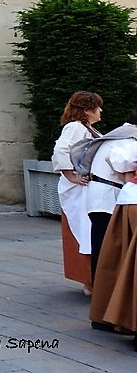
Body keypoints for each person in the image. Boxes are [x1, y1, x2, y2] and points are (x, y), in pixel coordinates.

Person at [88, 123, 137, 348]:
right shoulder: (128, 139)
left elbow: (125, 170)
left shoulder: (122, 139)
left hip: (127, 200)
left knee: (118, 259)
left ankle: (108, 316)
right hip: (127, 200)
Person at [50, 91, 103, 295]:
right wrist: (72, 176)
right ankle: (89, 281)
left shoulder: (87, 128)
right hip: (78, 190)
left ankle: (92, 279)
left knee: (89, 231)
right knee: (86, 231)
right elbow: (61, 150)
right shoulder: (75, 127)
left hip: (85, 188)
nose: (100, 111)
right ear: (87, 110)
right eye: (97, 107)